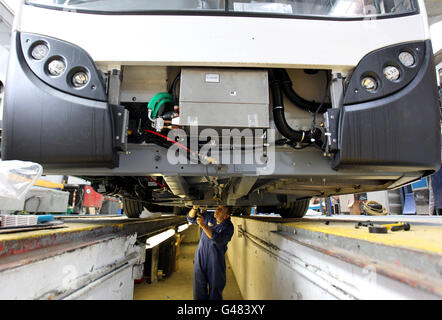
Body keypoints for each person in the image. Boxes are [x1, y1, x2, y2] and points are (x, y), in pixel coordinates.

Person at [187, 204, 234, 300]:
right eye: (217, 207)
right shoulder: (209, 216)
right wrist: (194, 208)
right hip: (201, 257)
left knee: (215, 290)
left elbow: (216, 239)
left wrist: (203, 225)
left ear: (226, 216)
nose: (217, 210)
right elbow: (190, 219)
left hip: (215, 260)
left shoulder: (229, 227)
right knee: (198, 288)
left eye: (221, 210)